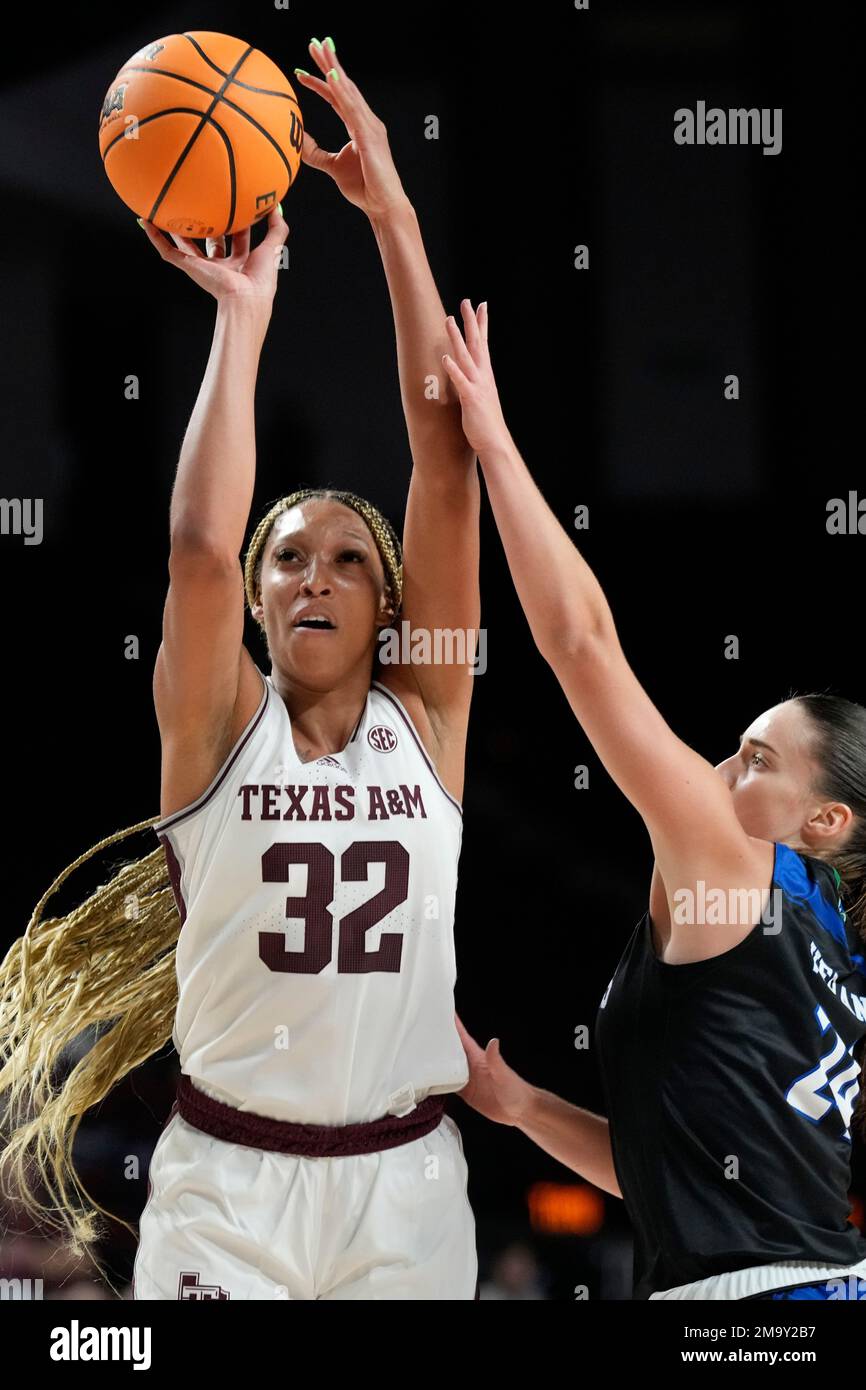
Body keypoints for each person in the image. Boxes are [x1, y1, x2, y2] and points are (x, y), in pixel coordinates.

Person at [0, 38, 481, 1301]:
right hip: (230, 1181)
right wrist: (243, 315)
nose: (311, 575)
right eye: (289, 560)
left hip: (406, 1184)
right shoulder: (215, 733)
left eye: (344, 561)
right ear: (261, 607)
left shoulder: (430, 718)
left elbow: (443, 459)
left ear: (393, 612)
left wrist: (392, 213)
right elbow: (200, 547)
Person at [441, 303, 866, 1301]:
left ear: (823, 822)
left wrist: (496, 445)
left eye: (757, 759)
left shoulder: (737, 866)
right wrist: (524, 1108)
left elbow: (581, 646)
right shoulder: (827, 946)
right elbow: (674, 1178)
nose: (720, 769)